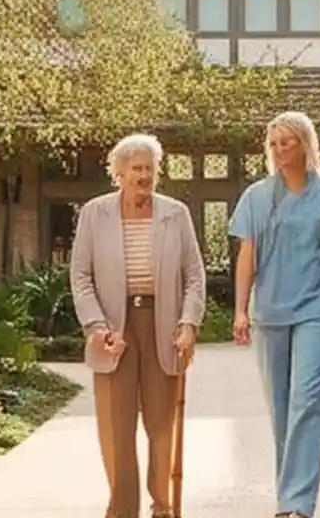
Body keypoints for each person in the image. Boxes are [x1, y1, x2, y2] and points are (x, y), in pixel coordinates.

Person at [229, 111, 320, 518]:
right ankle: (287, 500)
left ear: (305, 144)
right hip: (270, 311)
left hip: (317, 310)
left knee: (308, 404)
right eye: (273, 144)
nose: (278, 150)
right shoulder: (256, 197)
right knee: (282, 410)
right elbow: (247, 256)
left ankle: (297, 506)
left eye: (286, 142)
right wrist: (240, 310)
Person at [70, 133, 207, 518]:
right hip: (113, 329)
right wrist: (96, 326)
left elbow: (194, 275)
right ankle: (122, 509)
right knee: (117, 429)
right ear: (119, 173)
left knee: (162, 425)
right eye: (136, 169)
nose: (144, 176)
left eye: (149, 168)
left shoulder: (175, 213)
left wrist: (188, 323)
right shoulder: (95, 213)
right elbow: (81, 276)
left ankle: (161, 506)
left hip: (162, 325)